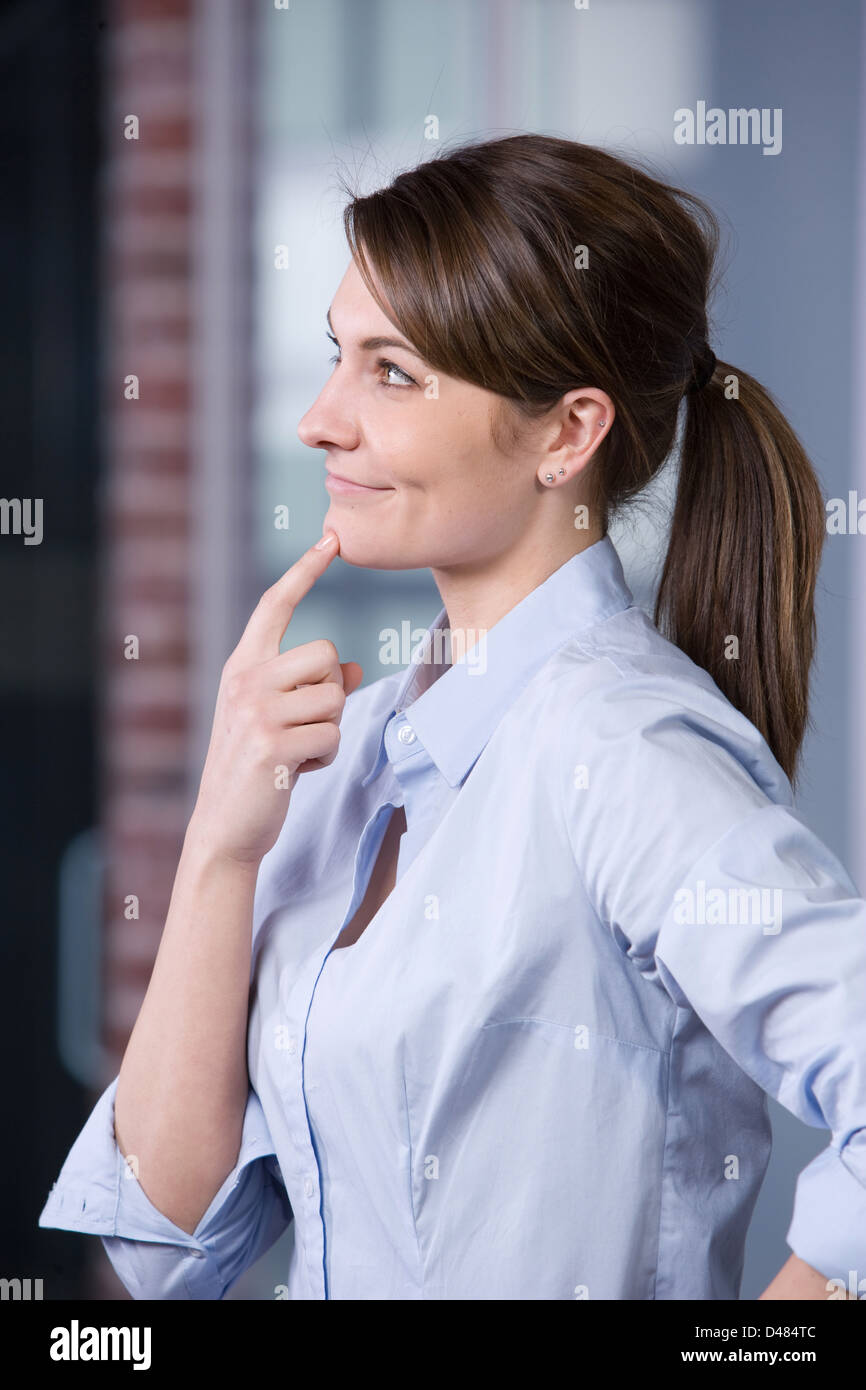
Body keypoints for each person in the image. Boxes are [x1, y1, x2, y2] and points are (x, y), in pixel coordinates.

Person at [39, 133, 866, 1300]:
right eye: (338, 356)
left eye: (392, 372)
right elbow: (156, 1245)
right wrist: (220, 848)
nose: (320, 420)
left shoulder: (617, 749)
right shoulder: (340, 758)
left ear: (566, 434)